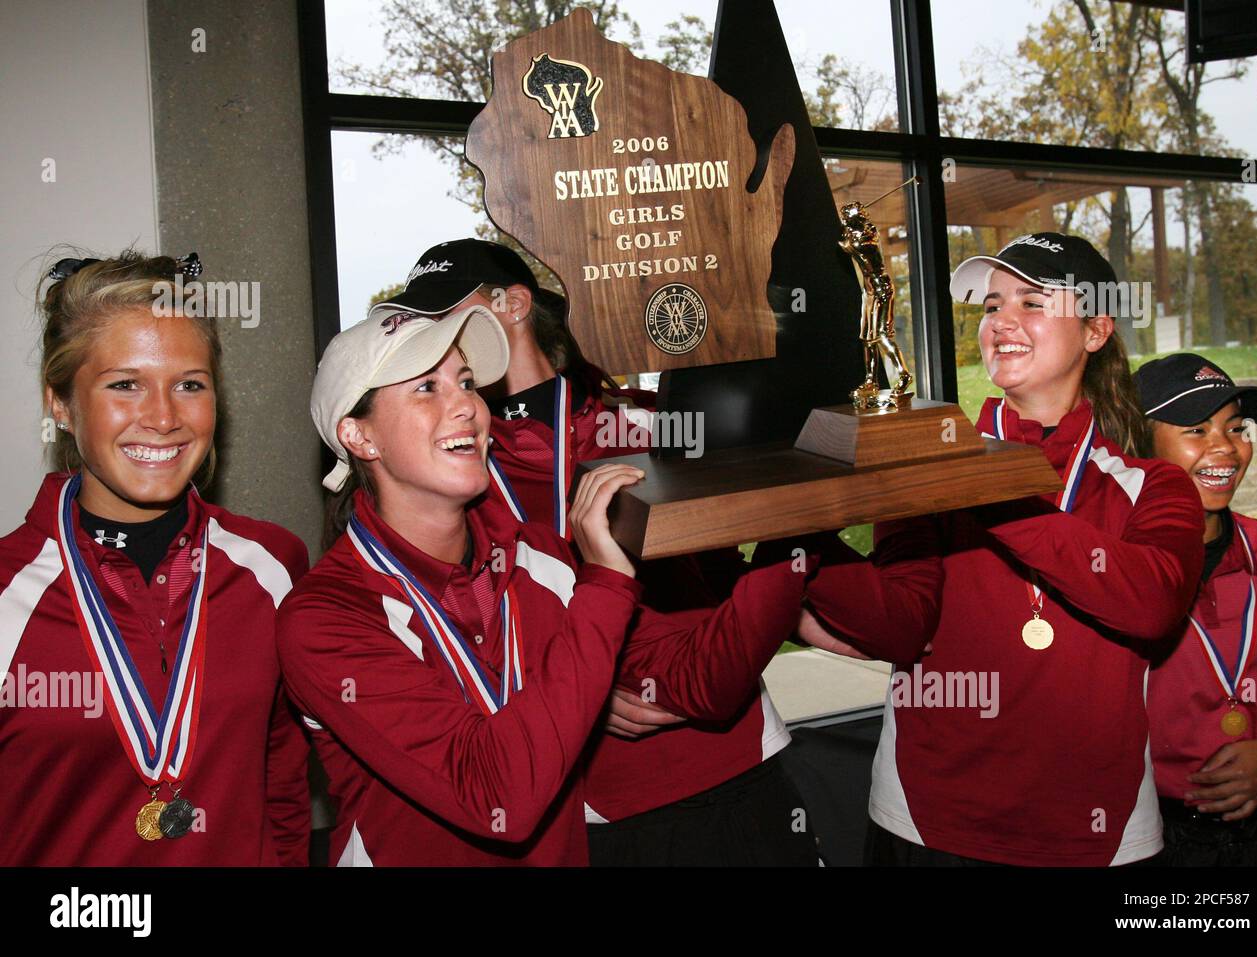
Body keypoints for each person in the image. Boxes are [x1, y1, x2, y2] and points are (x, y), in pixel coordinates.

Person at [366, 239, 943, 865]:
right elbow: (450, 632)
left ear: (514, 306)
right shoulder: (452, 474)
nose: (438, 336)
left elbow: (750, 576)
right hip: (588, 803)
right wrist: (579, 681)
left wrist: (798, 592)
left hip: (734, 759)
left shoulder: (651, 428)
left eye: (450, 312)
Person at [276, 302, 819, 866]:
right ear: (359, 437)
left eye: (466, 382)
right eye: (426, 389)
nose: (466, 404)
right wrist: (606, 584)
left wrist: (796, 517)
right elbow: (494, 795)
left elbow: (702, 683)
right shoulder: (324, 618)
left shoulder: (536, 557)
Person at [820, 232, 1205, 866]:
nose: (1002, 322)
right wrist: (803, 538)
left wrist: (981, 485)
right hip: (927, 816)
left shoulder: (1151, 484)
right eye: (992, 305)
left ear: (1096, 329)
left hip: (1099, 831)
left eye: (1032, 302)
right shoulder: (936, 463)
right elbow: (897, 624)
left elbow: (1153, 604)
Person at [0, 251, 310, 865]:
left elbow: (283, 785)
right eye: (125, 384)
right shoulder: (8, 588)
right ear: (60, 404)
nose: (164, 417)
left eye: (189, 385)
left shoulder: (272, 567)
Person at [1135, 353, 1257, 865]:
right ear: (1139, 444)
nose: (1225, 448)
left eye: (1236, 427)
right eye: (1196, 428)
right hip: (1152, 833)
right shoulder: (1115, 565)